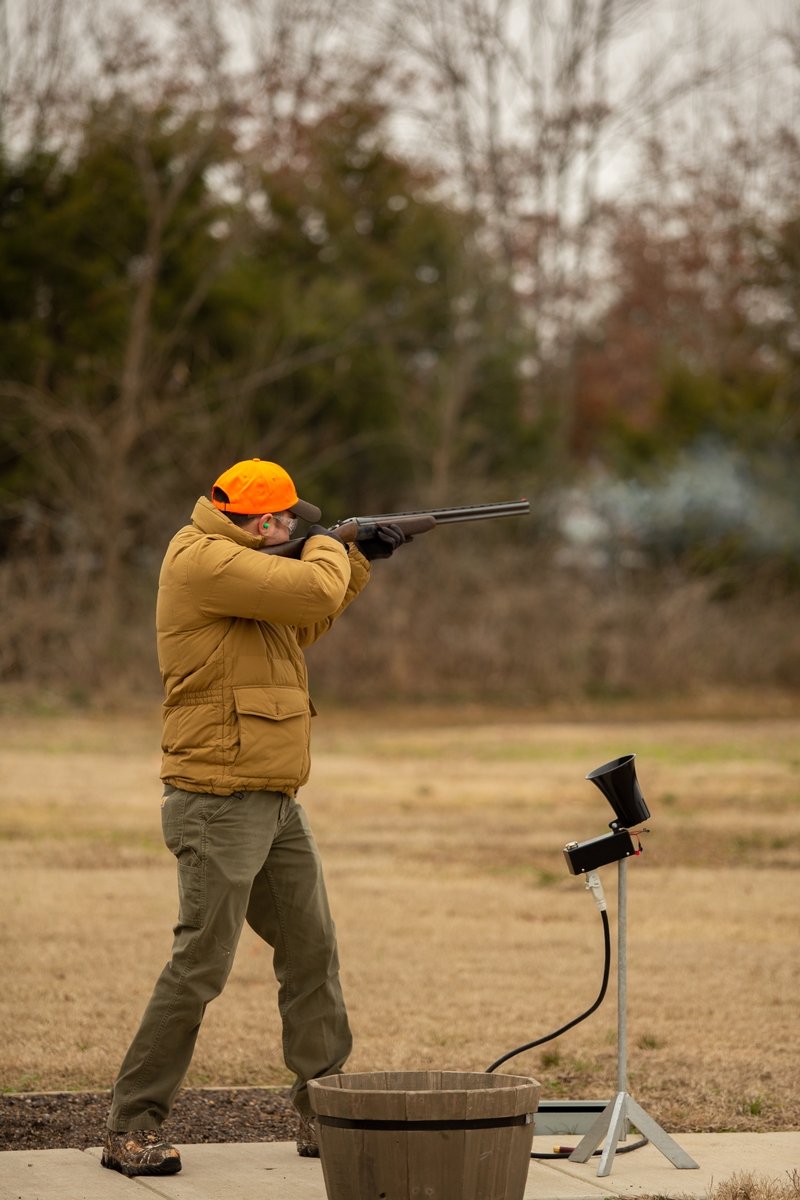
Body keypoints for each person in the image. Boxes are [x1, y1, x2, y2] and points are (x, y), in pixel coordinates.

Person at [101, 459, 410, 1178]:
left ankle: (322, 1112)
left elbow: (305, 619)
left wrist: (356, 559)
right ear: (265, 523)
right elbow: (311, 585)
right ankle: (130, 1127)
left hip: (272, 798)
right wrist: (335, 542)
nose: (294, 531)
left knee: (312, 955)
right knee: (199, 967)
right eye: (288, 523)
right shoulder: (203, 558)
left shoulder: (243, 568)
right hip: (218, 800)